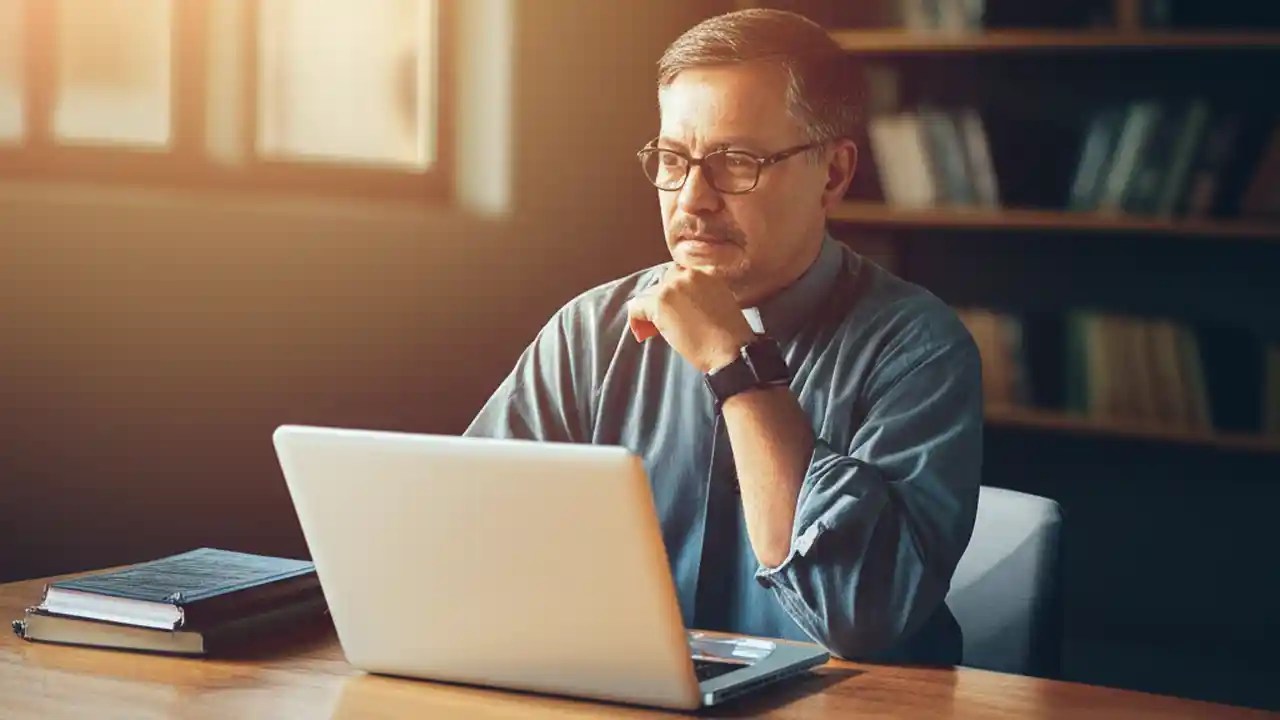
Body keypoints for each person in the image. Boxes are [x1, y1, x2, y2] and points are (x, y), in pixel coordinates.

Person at [466, 8, 982, 665]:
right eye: (674, 159)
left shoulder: (919, 349)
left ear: (833, 174)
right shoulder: (591, 332)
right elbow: (471, 540)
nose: (694, 198)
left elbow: (860, 617)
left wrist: (736, 366)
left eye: (737, 161)